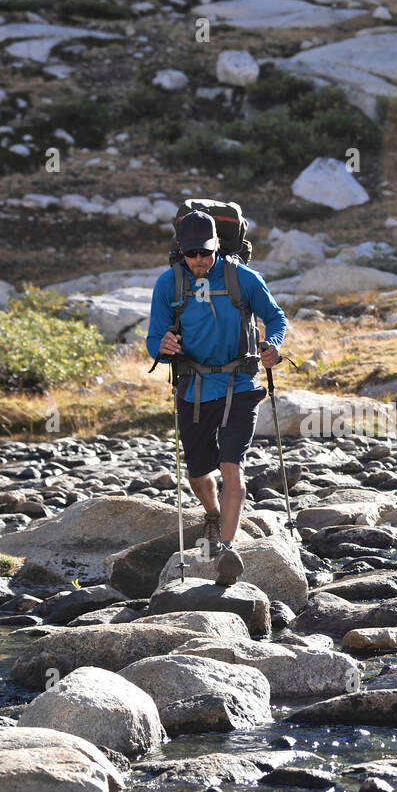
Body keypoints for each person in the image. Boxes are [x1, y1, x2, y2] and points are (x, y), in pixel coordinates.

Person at [145, 209, 287, 586]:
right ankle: (211, 513)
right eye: (191, 254)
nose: (199, 261)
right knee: (197, 471)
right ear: (181, 251)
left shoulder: (242, 278)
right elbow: (152, 339)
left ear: (217, 246)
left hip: (240, 384)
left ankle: (226, 548)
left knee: (231, 465)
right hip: (192, 389)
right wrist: (163, 345)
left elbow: (276, 317)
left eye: (205, 253)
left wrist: (272, 344)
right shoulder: (168, 284)